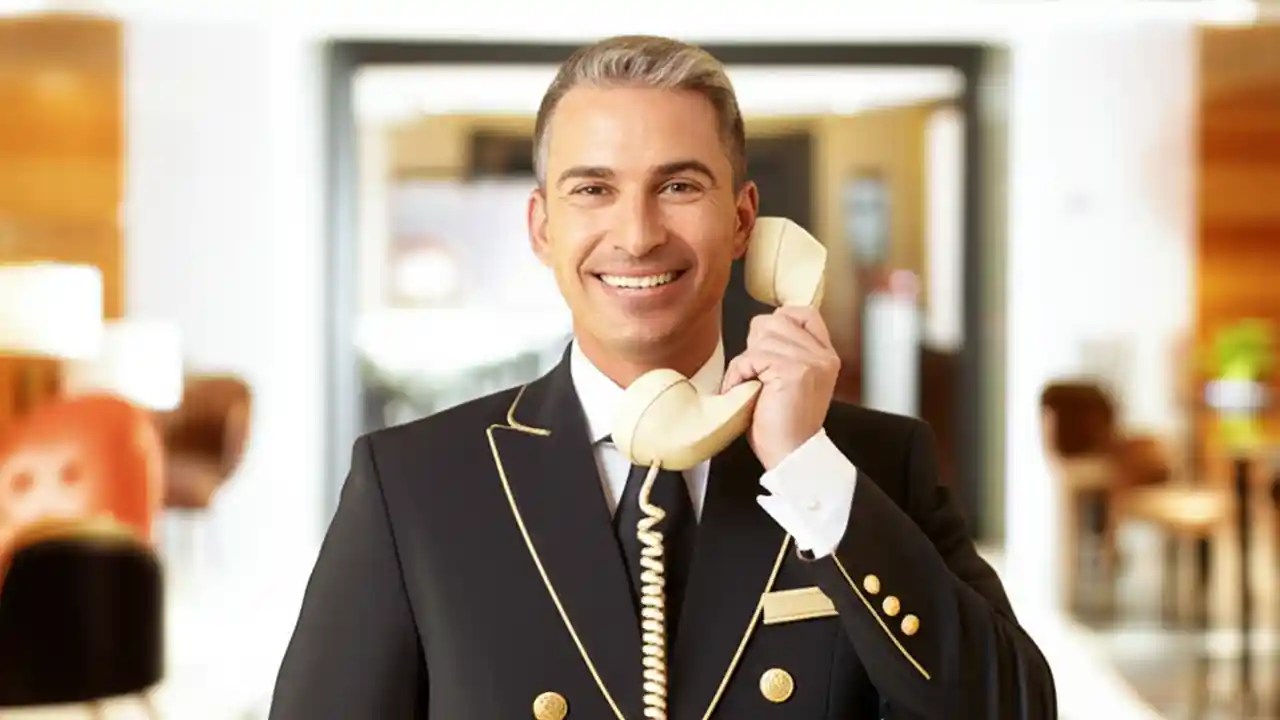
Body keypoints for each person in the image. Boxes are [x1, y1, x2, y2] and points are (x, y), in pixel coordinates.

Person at [269, 35, 1056, 719]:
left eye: (679, 186)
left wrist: (807, 470)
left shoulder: (872, 468)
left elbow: (1013, 709)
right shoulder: (416, 483)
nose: (638, 235)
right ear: (543, 227)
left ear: (744, 221)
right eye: (593, 190)